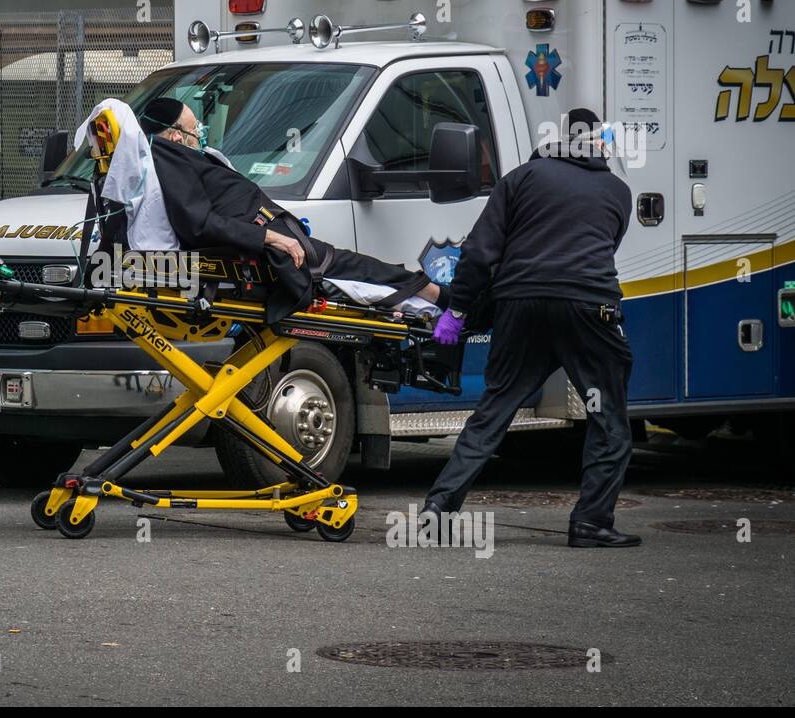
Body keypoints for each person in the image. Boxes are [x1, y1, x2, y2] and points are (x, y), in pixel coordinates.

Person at [421, 108, 640, 548]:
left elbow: (480, 251)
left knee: (495, 410)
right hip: (588, 311)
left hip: (520, 308)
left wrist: (458, 310)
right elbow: (607, 247)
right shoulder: (618, 190)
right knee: (608, 418)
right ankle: (591, 523)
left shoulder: (520, 179)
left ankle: (438, 511)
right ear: (599, 143)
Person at [98, 96, 447, 322]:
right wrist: (272, 239)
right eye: (194, 129)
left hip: (276, 241)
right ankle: (435, 297)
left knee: (352, 265)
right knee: (353, 269)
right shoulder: (171, 159)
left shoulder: (174, 159)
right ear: (175, 136)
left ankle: (430, 294)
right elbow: (199, 224)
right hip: (272, 253)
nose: (200, 134)